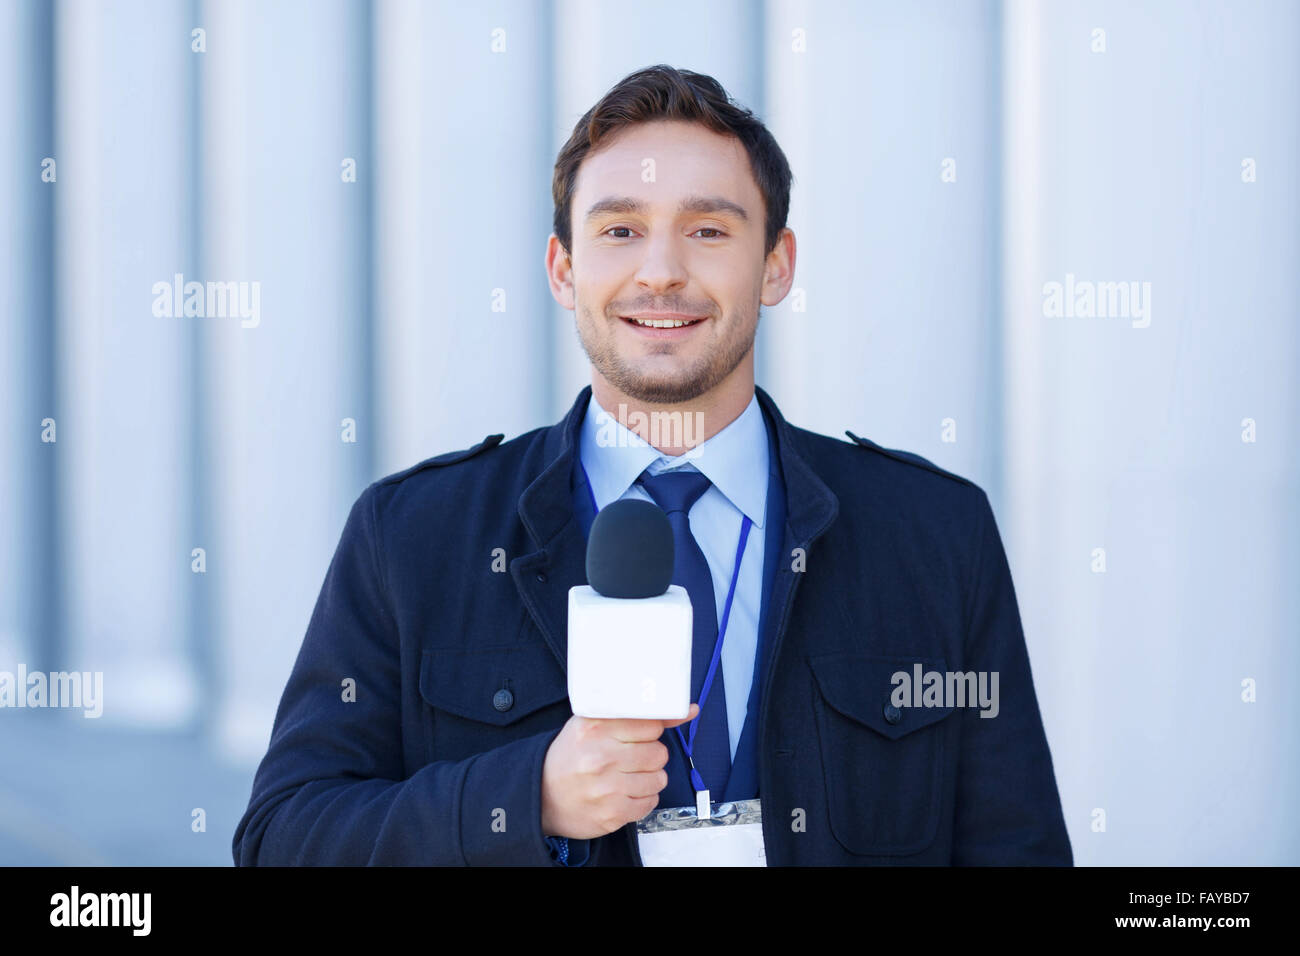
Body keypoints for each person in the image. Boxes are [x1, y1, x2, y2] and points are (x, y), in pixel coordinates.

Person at [232, 64, 1072, 866]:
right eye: (620, 230)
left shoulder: (934, 535)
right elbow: (283, 840)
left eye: (708, 230)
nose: (662, 271)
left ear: (776, 265)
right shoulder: (412, 536)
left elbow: (1014, 846)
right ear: (565, 269)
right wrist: (526, 798)